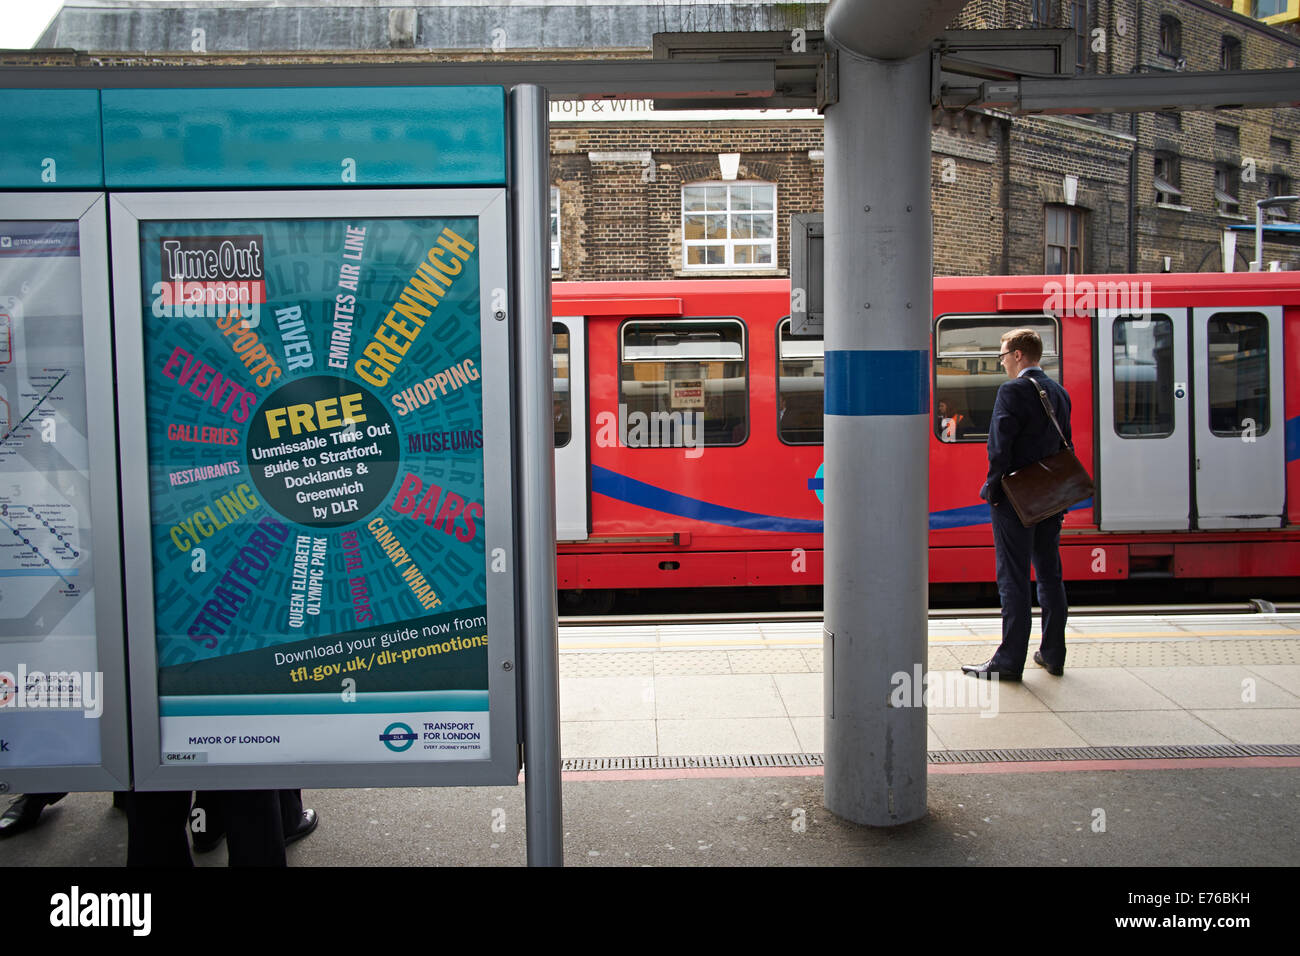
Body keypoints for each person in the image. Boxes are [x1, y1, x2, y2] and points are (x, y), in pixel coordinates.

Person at [962, 328, 1070, 681]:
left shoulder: (1012, 390)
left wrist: (992, 489)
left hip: (1015, 498)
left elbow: (999, 447)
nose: (1003, 360)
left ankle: (1009, 661)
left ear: (1020, 354)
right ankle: (1053, 653)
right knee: (1050, 576)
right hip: (1050, 496)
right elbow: (1061, 446)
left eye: (1004, 354)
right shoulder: (1059, 392)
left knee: (1014, 579)